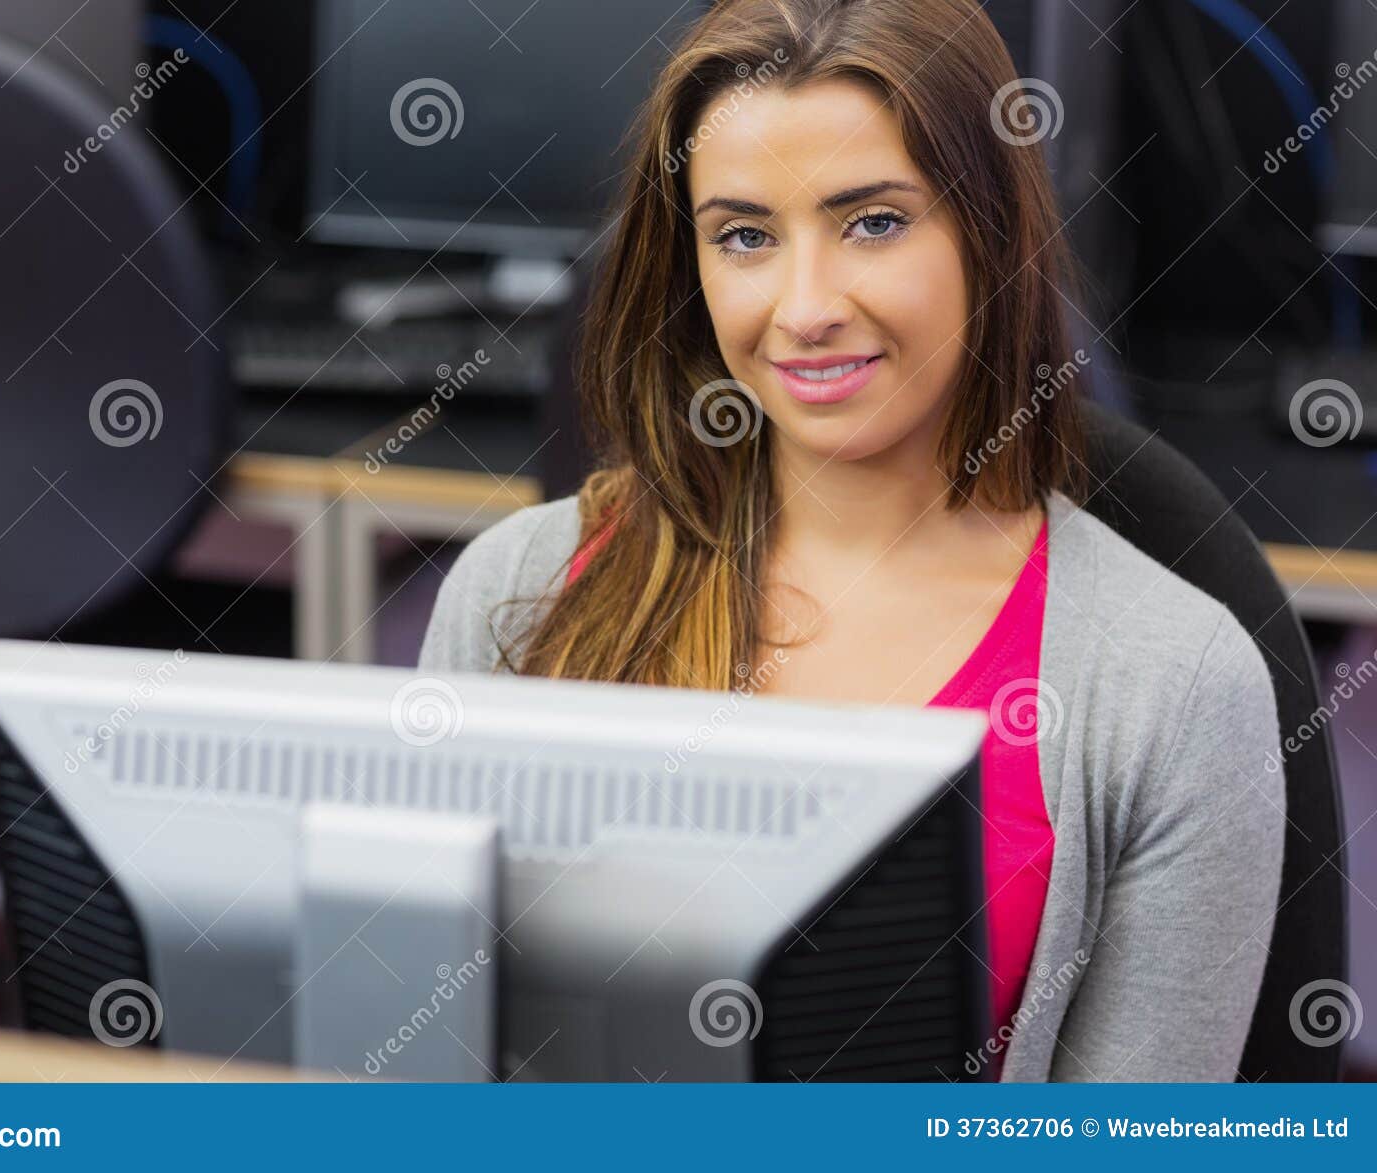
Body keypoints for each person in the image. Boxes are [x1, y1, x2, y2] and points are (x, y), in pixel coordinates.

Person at [418, 0, 1283, 1082]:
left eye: (872, 221)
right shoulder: (521, 592)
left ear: (987, 233)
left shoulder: (1171, 686)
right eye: (744, 236)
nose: (805, 306)